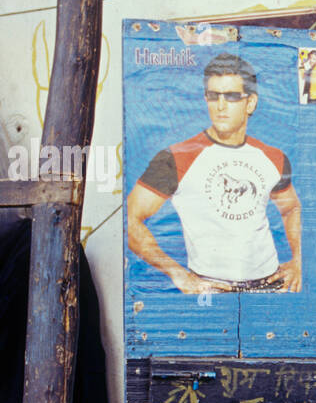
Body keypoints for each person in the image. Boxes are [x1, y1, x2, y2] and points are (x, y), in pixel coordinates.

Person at [127, 53, 303, 294]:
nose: (220, 106)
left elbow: (291, 207)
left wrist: (297, 261)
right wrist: (176, 272)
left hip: (270, 287)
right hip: (211, 288)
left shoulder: (272, 157)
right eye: (213, 96)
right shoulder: (175, 158)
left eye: (231, 97)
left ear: (250, 103)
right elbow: (129, 219)